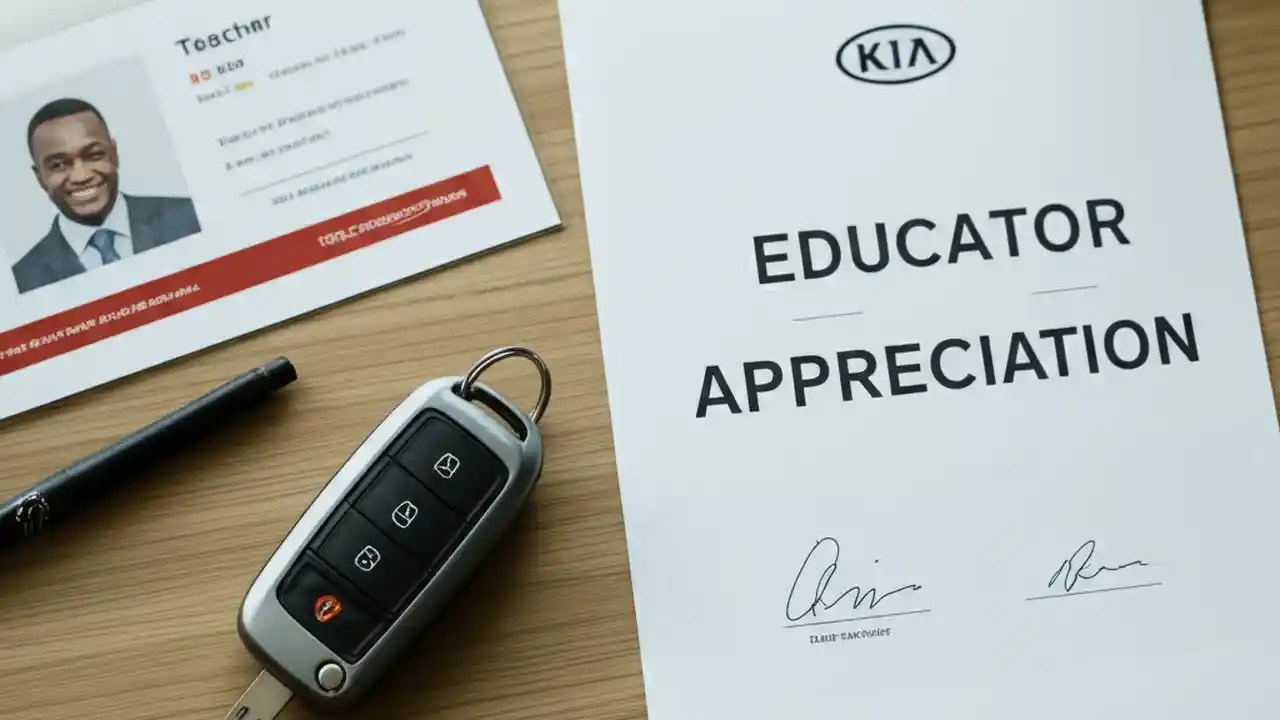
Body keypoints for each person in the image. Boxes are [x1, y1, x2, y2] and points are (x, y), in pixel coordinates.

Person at [11, 98, 200, 294]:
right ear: (40, 177)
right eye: (58, 165)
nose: (81, 176)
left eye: (94, 155)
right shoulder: (23, 281)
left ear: (114, 154)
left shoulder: (192, 218)